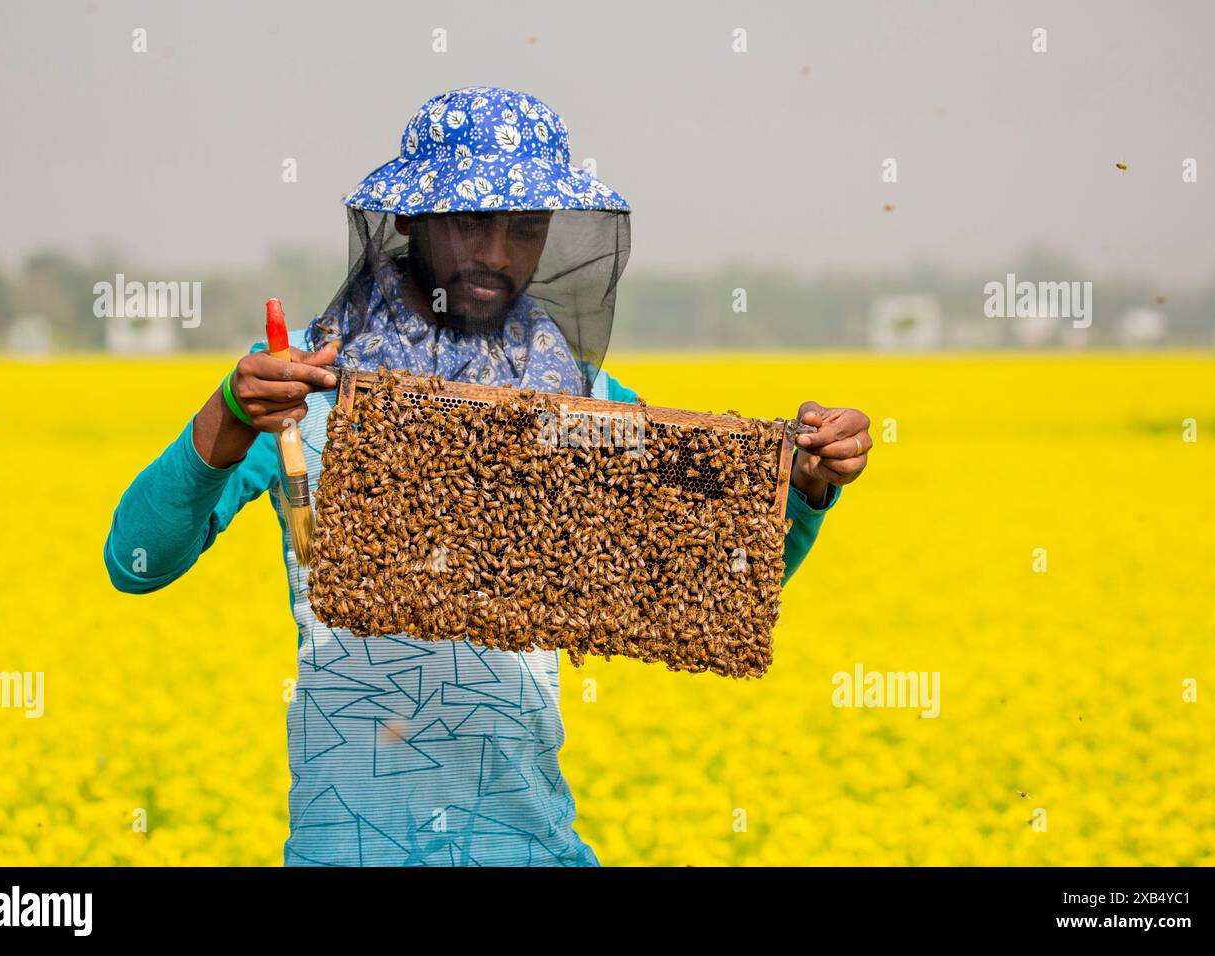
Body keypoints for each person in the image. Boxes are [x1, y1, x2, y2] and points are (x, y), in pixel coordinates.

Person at [103, 86, 871, 866]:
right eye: (472, 220)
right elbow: (136, 562)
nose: (499, 254)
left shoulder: (587, 402)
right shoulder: (305, 385)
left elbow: (709, 588)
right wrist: (229, 416)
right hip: (350, 847)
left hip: (533, 844)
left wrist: (806, 487)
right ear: (408, 217)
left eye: (527, 228)